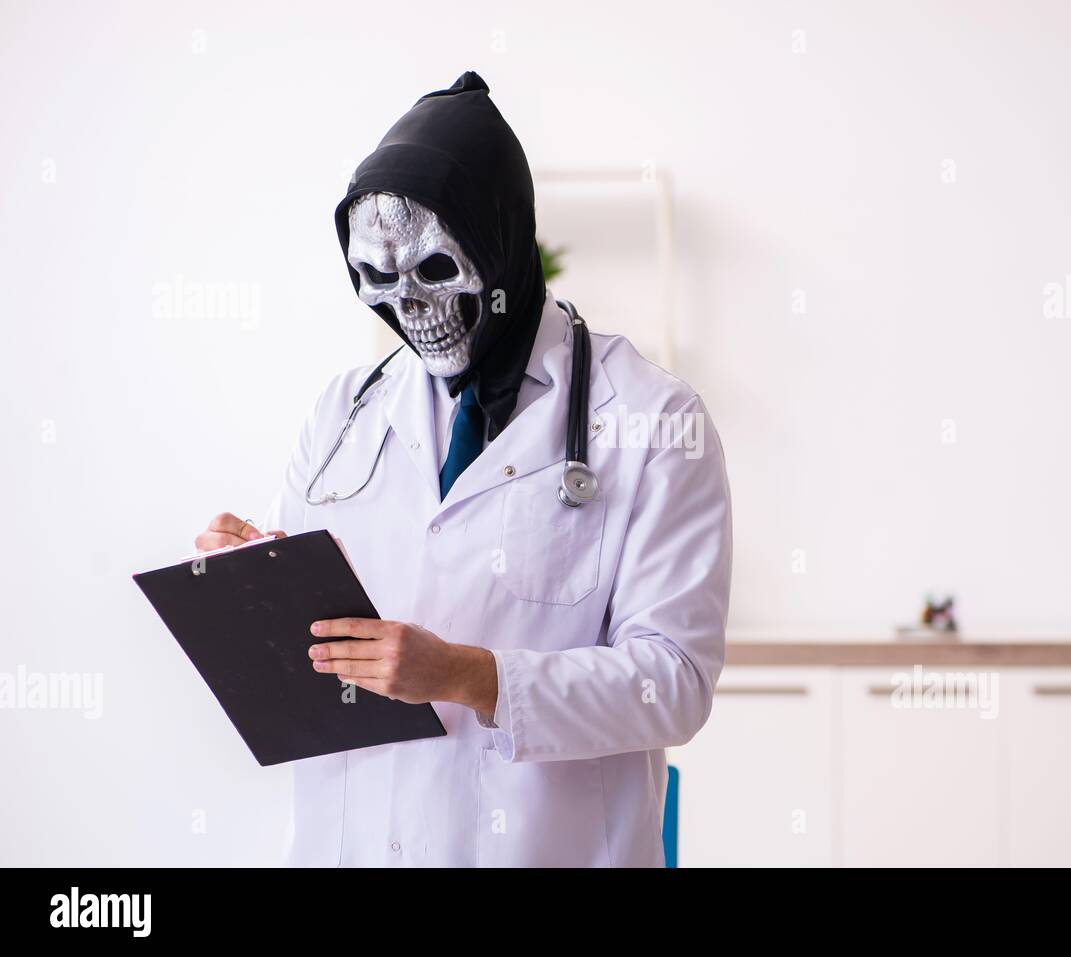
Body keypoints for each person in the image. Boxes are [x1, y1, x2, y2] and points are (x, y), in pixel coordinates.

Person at [194, 72, 732, 867]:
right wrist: (253, 578)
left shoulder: (653, 419)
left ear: (499, 240)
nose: (410, 306)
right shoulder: (344, 414)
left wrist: (471, 676)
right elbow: (315, 646)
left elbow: (674, 680)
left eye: (435, 270)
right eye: (378, 280)